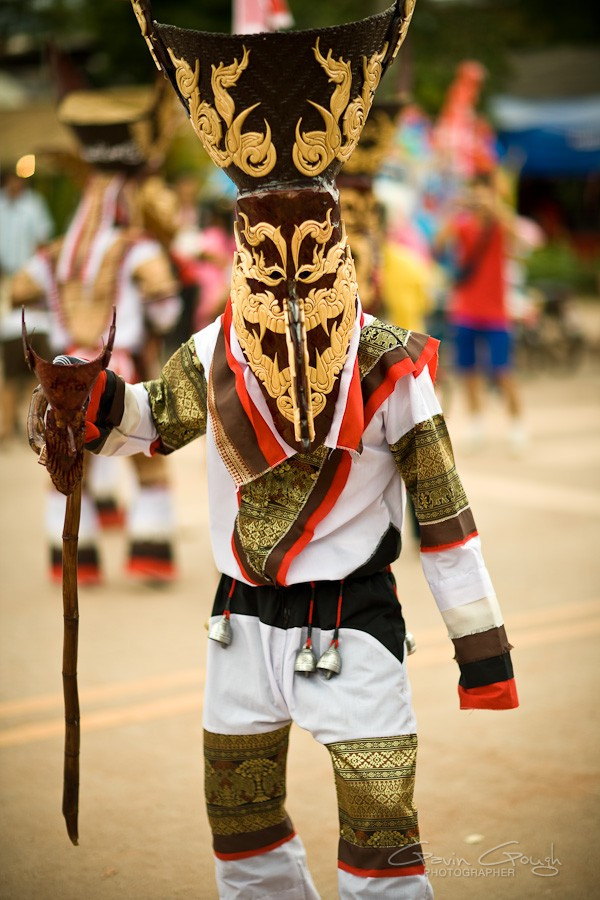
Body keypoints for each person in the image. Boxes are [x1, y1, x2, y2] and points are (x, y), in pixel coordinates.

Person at [62, 2, 517, 897]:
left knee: (382, 857)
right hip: (235, 634)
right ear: (237, 249)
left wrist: (481, 647)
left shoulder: (390, 363)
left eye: (307, 248)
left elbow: (446, 521)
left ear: (337, 241)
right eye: (264, 251)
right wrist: (87, 402)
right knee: (245, 848)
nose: (288, 278)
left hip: (355, 631)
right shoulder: (212, 349)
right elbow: (152, 419)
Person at [13, 83, 182, 584]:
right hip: (118, 367)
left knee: (63, 465)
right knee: (148, 463)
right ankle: (150, 552)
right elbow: (167, 312)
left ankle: (74, 559)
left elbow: (20, 291)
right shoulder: (139, 249)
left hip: (62, 369)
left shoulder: (53, 253)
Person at [437, 171, 526, 452]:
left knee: (502, 371)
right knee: (468, 371)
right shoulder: (463, 225)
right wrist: (454, 210)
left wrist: (496, 208)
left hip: (497, 313)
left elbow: (520, 239)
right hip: (465, 311)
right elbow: (438, 246)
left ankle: (517, 425)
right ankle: (476, 422)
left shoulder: (499, 225)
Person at [0, 169, 53, 440]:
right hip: (6, 284)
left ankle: (38, 422)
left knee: (39, 369)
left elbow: (42, 243)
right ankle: (7, 425)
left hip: (31, 284)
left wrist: (33, 281)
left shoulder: (34, 206)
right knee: (10, 368)